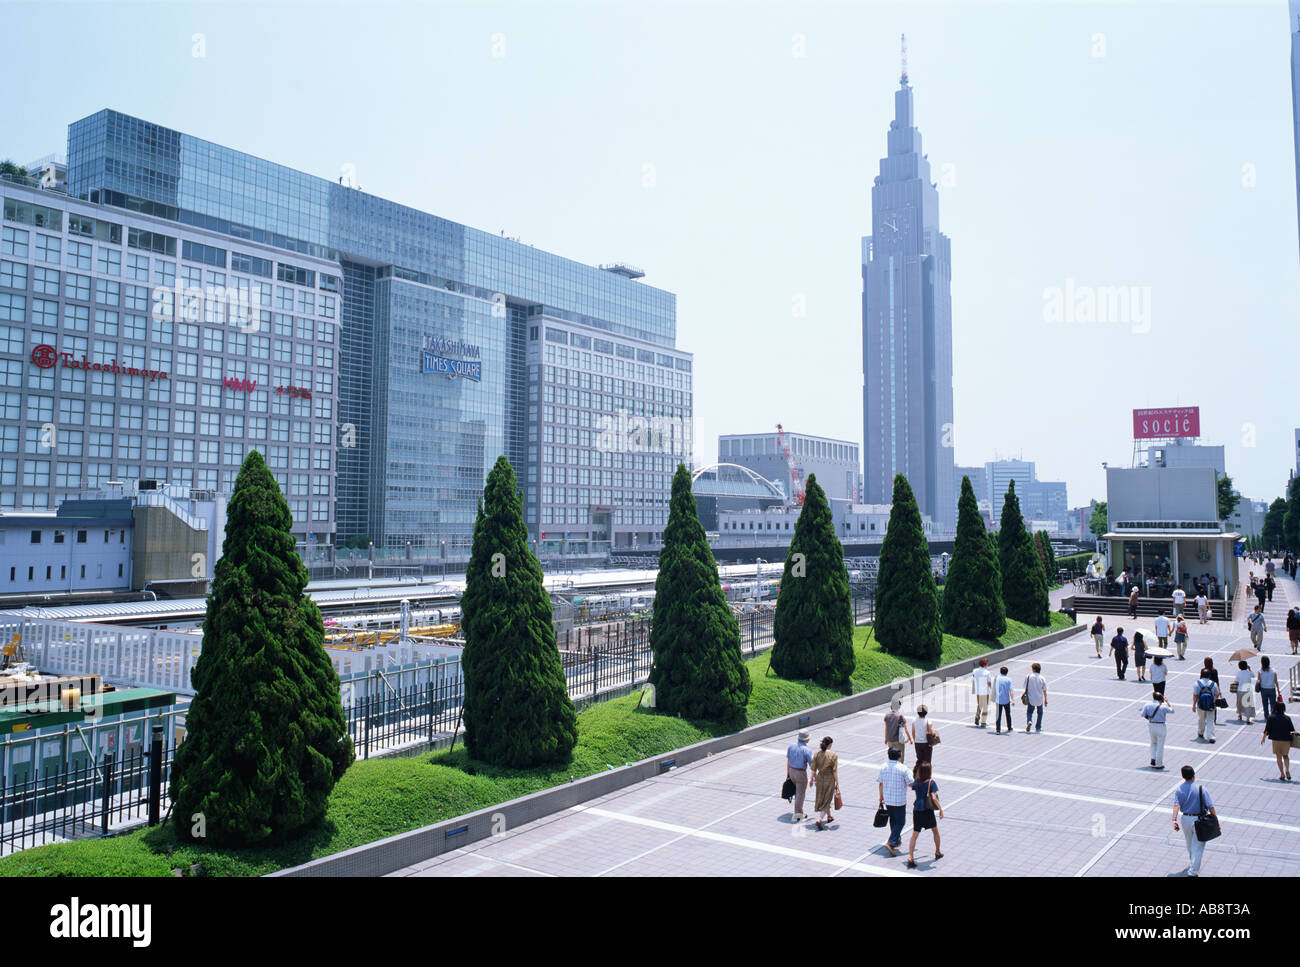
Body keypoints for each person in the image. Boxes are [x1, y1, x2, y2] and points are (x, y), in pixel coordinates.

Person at [1172, 766, 1217, 877]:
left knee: (1190, 844)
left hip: (1185, 819)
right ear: (1194, 775)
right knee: (1198, 846)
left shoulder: (1179, 789)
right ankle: (1193, 872)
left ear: (1183, 776)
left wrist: (1174, 820)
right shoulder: (1201, 788)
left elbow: (1176, 805)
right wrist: (1215, 820)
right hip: (1199, 820)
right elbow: (1210, 807)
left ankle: (1193, 864)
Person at [906, 761, 943, 868]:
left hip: (917, 810)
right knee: (935, 831)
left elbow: (912, 786)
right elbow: (934, 797)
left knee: (915, 834)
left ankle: (911, 857)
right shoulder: (931, 782)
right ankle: (937, 851)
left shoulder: (917, 782)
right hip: (927, 811)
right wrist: (940, 809)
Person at [877, 747, 912, 856]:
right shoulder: (903, 768)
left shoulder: (883, 767)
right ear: (899, 756)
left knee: (893, 820)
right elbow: (911, 783)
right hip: (899, 799)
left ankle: (896, 839)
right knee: (901, 822)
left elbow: (880, 783)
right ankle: (891, 842)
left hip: (888, 798)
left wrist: (881, 796)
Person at [1261, 700, 1296, 782]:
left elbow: (1267, 729)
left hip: (1276, 739)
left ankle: (1282, 774)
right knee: (1286, 756)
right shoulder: (1287, 718)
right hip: (1286, 740)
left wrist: (1263, 738)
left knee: (1278, 757)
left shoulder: (1271, 717)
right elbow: (1292, 729)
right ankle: (1287, 770)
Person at [810, 735, 839, 830]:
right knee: (827, 799)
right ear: (830, 745)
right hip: (829, 778)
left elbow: (813, 769)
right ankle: (819, 819)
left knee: (822, 798)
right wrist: (837, 782)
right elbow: (834, 771)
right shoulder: (833, 755)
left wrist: (811, 779)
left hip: (820, 778)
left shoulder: (817, 754)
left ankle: (829, 816)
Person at [1141, 688, 1175, 769]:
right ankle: (1158, 763)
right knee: (1160, 745)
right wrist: (1167, 702)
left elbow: (1142, 714)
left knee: (1153, 742)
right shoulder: (1163, 706)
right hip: (1160, 726)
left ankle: (1153, 757)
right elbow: (1172, 710)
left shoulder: (1147, 705)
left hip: (1151, 725)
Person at [786, 731, 813, 821]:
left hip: (791, 770)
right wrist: (814, 776)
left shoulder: (791, 746)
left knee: (797, 793)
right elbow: (812, 765)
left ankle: (798, 812)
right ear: (806, 739)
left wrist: (788, 773)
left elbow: (788, 760)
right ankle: (798, 814)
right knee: (800, 794)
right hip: (800, 773)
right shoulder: (807, 750)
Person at [1193, 667, 1222, 743]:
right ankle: (1211, 736)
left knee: (1201, 719)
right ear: (1209, 676)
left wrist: (1193, 705)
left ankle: (1200, 732)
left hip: (1200, 705)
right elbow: (1217, 694)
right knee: (1210, 720)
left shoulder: (1197, 683)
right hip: (1211, 705)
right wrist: (1213, 701)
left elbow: (1195, 695)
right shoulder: (1213, 684)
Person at [884, 696, 911, 762]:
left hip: (890, 739)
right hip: (898, 740)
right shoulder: (900, 716)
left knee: (892, 758)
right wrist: (910, 738)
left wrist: (886, 738)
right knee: (900, 758)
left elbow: (886, 728)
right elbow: (905, 728)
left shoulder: (887, 715)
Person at [1023, 662, 1048, 732]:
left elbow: (1025, 687)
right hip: (1039, 698)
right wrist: (1046, 699)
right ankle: (1038, 727)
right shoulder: (1042, 678)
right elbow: (1045, 690)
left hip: (1031, 698)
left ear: (1033, 669)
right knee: (1040, 713)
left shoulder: (1028, 676)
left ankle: (1029, 721)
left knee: (1029, 712)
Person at [993, 665, 1015, 733]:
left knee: (998, 715)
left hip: (998, 699)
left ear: (1000, 672)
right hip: (1006, 699)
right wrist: (1013, 699)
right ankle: (1009, 727)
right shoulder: (1008, 680)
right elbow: (1010, 690)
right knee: (1008, 714)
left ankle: (998, 729)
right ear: (1007, 672)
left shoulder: (996, 678)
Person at [971, 657, 992, 728]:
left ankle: (977, 716)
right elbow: (989, 683)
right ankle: (983, 722)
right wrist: (992, 689)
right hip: (985, 691)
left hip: (978, 691)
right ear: (985, 664)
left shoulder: (975, 671)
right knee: (985, 706)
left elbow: (973, 678)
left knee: (979, 704)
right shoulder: (987, 672)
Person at [1258, 656, 1279, 721]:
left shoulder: (1260, 671)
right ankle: (1273, 715)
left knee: (1265, 703)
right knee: (1273, 703)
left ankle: (1266, 717)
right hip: (1272, 689)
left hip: (1263, 689)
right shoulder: (1273, 671)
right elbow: (1276, 681)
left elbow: (1259, 681)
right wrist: (1278, 689)